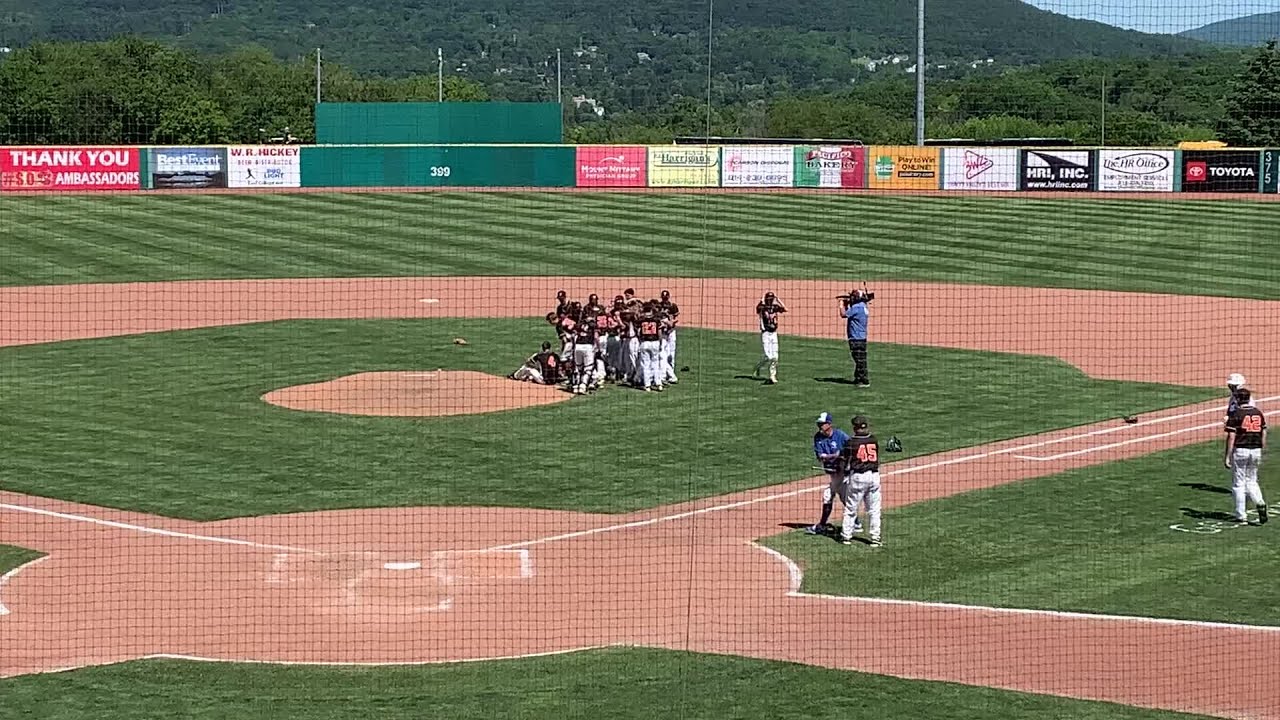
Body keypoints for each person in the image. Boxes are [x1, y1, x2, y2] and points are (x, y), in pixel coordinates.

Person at [807, 412, 858, 535]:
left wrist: (845, 460)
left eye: (822, 424)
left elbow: (852, 448)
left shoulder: (840, 435)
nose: (820, 426)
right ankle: (856, 523)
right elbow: (820, 456)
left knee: (828, 495)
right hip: (833, 472)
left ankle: (822, 525)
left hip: (842, 472)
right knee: (844, 498)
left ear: (829, 424)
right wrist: (834, 456)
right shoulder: (818, 438)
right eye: (819, 424)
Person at [1224, 387, 1268, 525]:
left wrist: (1227, 456)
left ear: (1237, 399)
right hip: (1255, 450)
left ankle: (1240, 515)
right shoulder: (1258, 412)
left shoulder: (1236, 414)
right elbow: (1264, 431)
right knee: (1252, 480)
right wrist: (1261, 447)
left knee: (1238, 484)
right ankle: (1259, 502)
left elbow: (1231, 436)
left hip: (1241, 450)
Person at [838, 415, 882, 546]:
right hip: (874, 476)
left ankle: (846, 536)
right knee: (874, 509)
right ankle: (875, 538)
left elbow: (845, 461)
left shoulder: (851, 442)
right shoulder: (873, 440)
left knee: (851, 508)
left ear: (854, 427)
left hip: (858, 477)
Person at [753, 291, 786, 384]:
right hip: (765, 334)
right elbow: (757, 308)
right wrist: (761, 300)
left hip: (774, 334)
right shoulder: (762, 308)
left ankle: (772, 375)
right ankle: (758, 367)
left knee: (775, 357)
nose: (770, 301)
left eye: (771, 299)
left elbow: (785, 309)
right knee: (768, 356)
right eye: (769, 299)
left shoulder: (775, 307)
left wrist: (778, 300)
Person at [841, 290, 871, 387]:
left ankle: (863, 380)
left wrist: (842, 305)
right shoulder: (863, 306)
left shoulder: (857, 307)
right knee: (861, 359)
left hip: (855, 338)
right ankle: (859, 378)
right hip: (862, 338)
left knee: (858, 360)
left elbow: (843, 314)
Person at [636, 302, 665, 392]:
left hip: (645, 343)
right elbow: (659, 333)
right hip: (655, 342)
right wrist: (660, 343)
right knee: (656, 364)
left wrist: (641, 341)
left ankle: (647, 385)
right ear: (651, 310)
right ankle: (658, 384)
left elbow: (638, 332)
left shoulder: (641, 320)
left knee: (646, 365)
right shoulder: (656, 320)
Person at [657, 289, 680, 379]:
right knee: (663, 352)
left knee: (671, 353)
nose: (665, 299)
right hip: (663, 333)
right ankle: (665, 372)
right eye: (663, 297)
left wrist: (671, 322)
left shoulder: (672, 306)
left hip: (671, 332)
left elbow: (676, 317)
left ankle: (671, 372)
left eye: (666, 297)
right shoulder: (659, 306)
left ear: (668, 297)